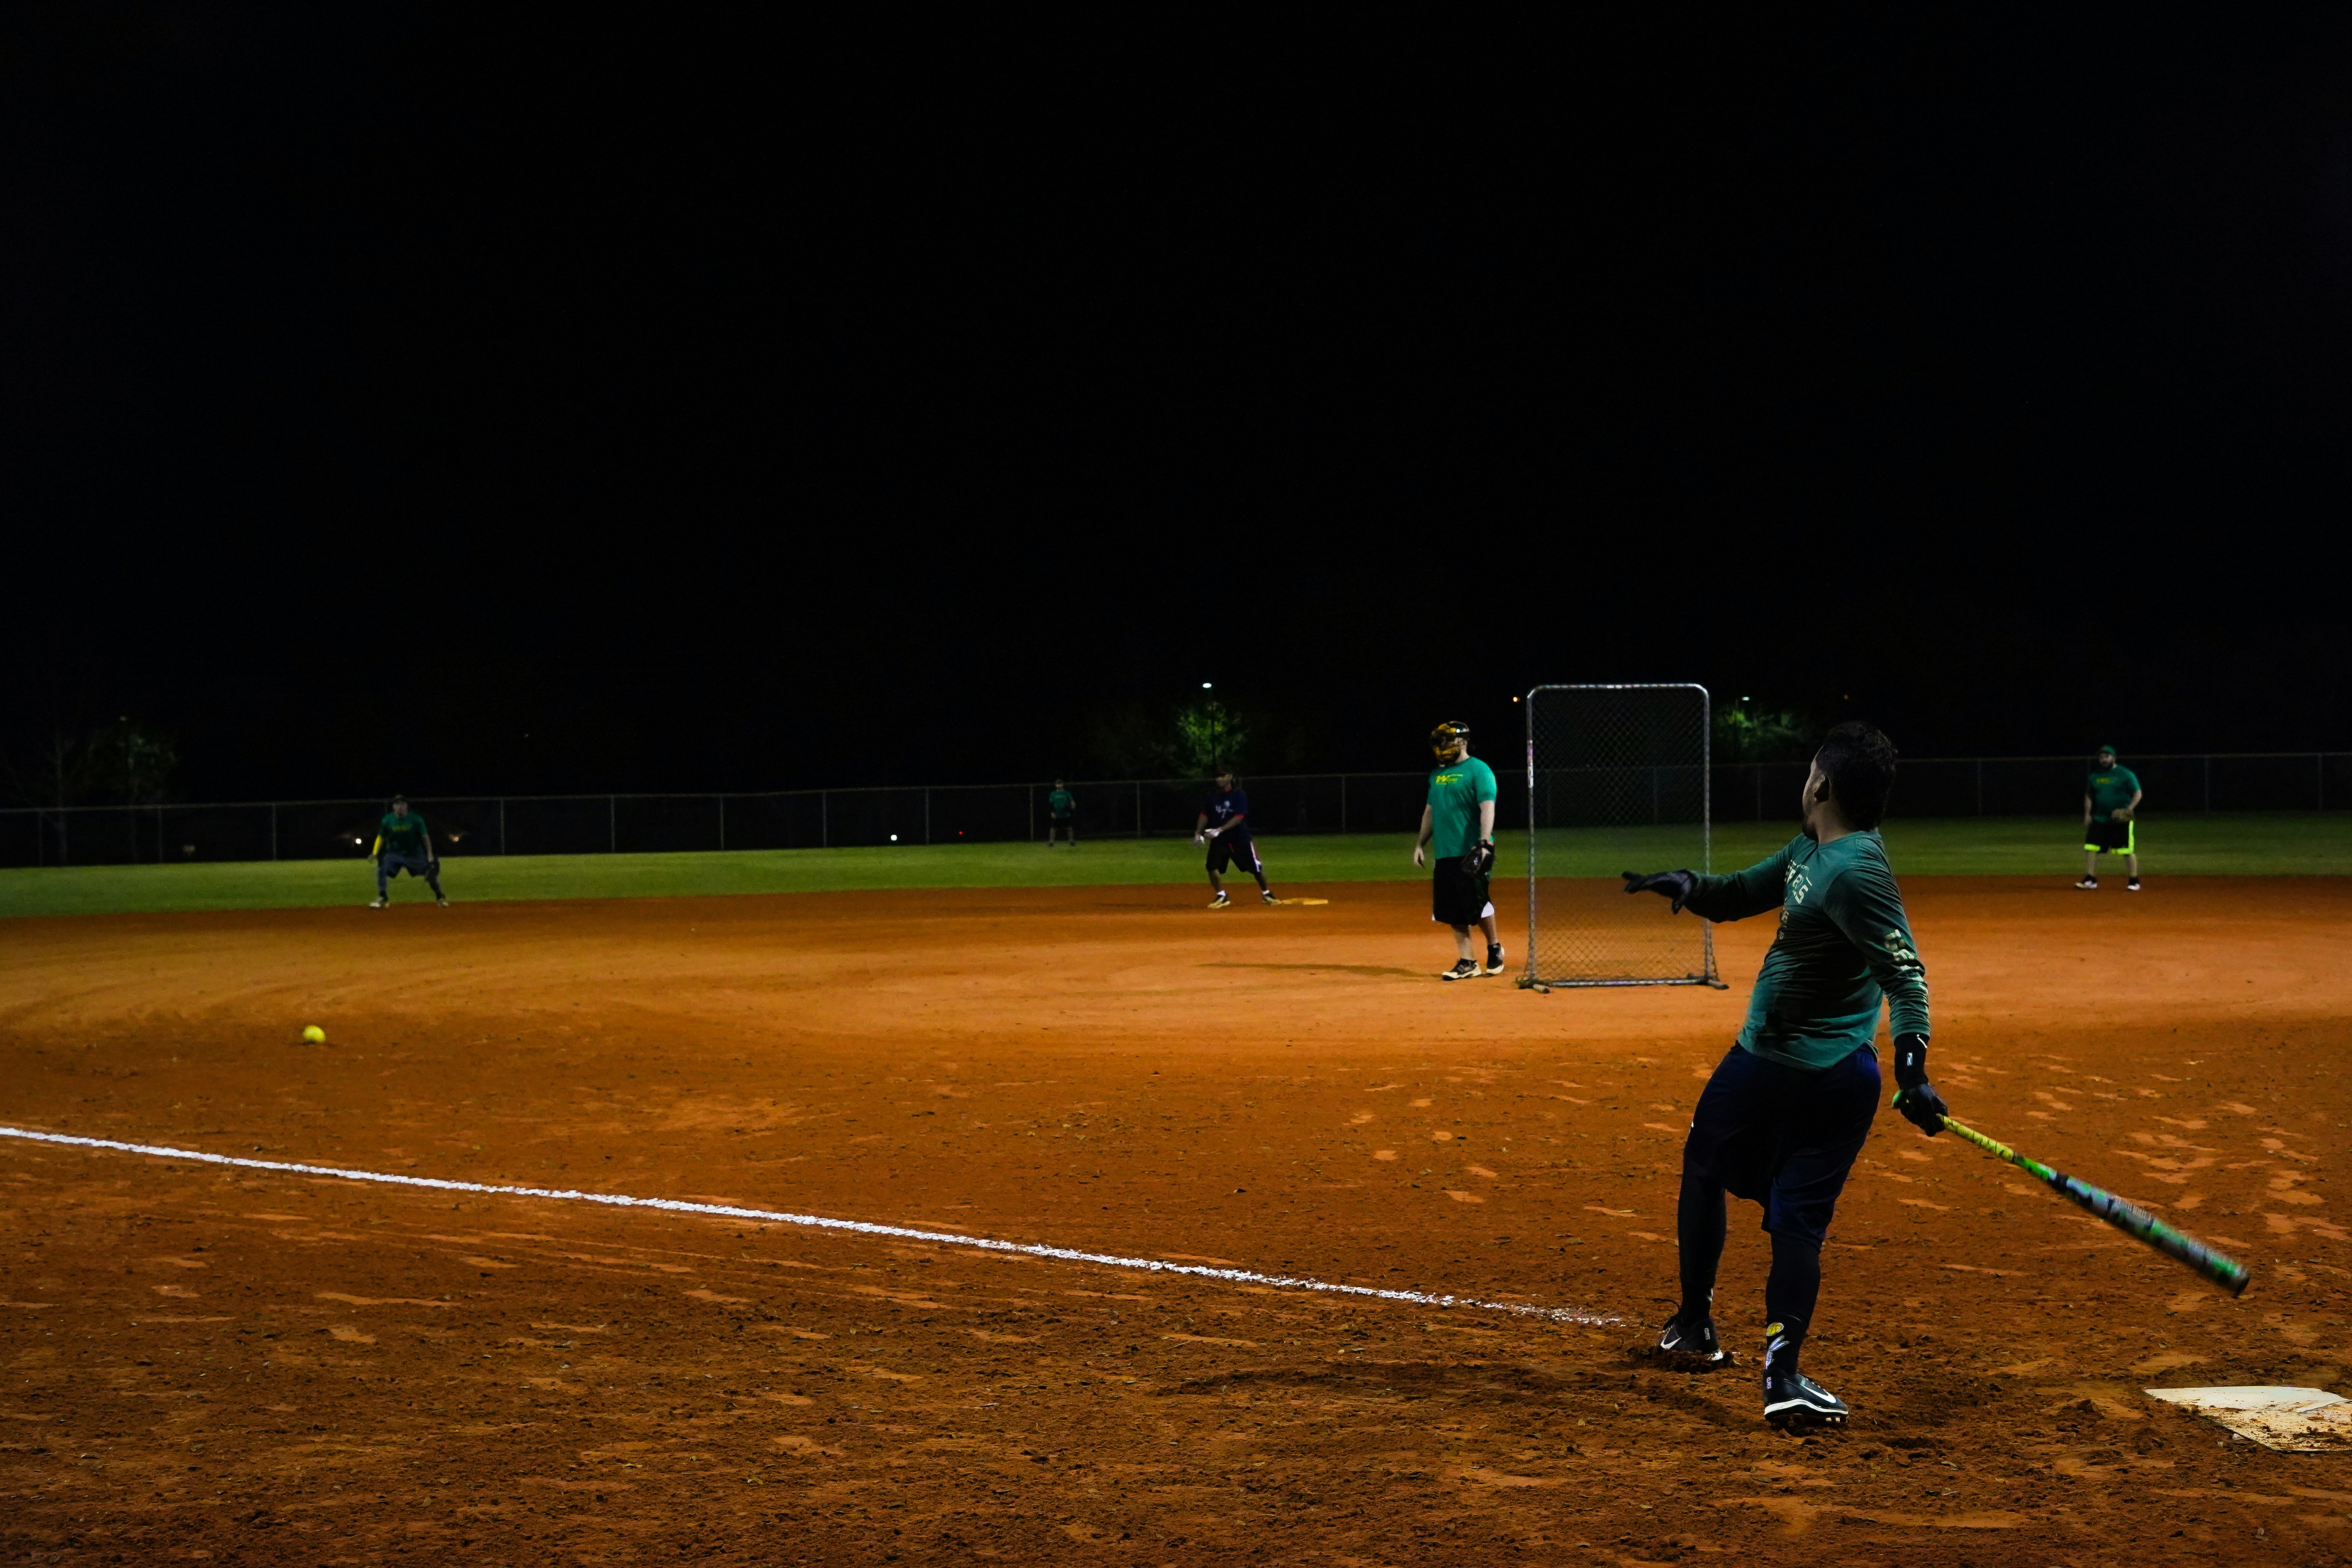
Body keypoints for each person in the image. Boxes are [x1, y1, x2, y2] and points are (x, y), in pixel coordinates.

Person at [1622, 720, 1944, 1431]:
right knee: (1723, 1180)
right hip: (1778, 1062)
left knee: (1775, 1209)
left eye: (1807, 774)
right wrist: (1692, 887)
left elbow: (1906, 974)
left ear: (1821, 784)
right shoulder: (1813, 849)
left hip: (1814, 1071)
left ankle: (1771, 1365)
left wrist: (1913, 1069)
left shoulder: (1857, 870)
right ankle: (1715, 1337)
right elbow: (1741, 892)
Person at [1413, 721, 1504, 980]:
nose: (1441, 748)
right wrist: (1420, 844)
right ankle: (1468, 961)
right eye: (1439, 743)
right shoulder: (1436, 774)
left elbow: (1488, 806)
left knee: (1478, 902)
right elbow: (1430, 812)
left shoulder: (1479, 769)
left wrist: (1485, 842)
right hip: (1445, 852)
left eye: (1446, 742)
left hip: (1472, 850)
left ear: (1462, 742)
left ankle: (1494, 947)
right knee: (1451, 908)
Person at [1194, 766, 1274, 908]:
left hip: (1239, 838)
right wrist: (1198, 833)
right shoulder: (1212, 797)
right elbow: (1204, 815)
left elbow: (1239, 817)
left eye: (1223, 776)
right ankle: (1222, 896)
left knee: (1256, 868)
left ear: (1230, 777)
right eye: (1218, 776)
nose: (1220, 779)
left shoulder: (1239, 795)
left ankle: (1267, 893)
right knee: (1212, 867)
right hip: (1220, 840)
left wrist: (1220, 830)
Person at [2078, 745, 2143, 891]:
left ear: (2114, 758)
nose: (2104, 759)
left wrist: (2129, 809)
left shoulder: (2125, 774)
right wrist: (2088, 814)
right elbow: (2089, 796)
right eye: (2101, 757)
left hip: (2120, 819)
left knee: (2126, 850)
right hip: (2100, 818)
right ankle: (2090, 879)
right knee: (2091, 847)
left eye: (2107, 756)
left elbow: (2138, 793)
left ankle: (2134, 881)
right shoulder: (2095, 776)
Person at [369, 795, 447, 908]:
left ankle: (440, 896)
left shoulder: (416, 819)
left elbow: (425, 838)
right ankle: (383, 898)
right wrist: (375, 852)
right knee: (382, 869)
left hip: (414, 853)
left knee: (430, 872)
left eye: (403, 804)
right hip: (394, 854)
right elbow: (381, 836)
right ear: (393, 806)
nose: (400, 807)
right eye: (397, 804)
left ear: (407, 806)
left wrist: (430, 855)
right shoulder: (387, 820)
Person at [1046, 779, 1078, 847]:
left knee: (1069, 828)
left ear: (1063, 785)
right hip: (1057, 814)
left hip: (1065, 814)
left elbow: (1072, 801)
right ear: (1056, 785)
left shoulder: (1066, 793)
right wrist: (1052, 812)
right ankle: (1051, 842)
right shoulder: (1053, 794)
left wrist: (1072, 808)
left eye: (1060, 784)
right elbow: (1051, 804)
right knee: (1053, 829)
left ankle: (1071, 841)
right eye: (1057, 784)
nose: (1059, 785)